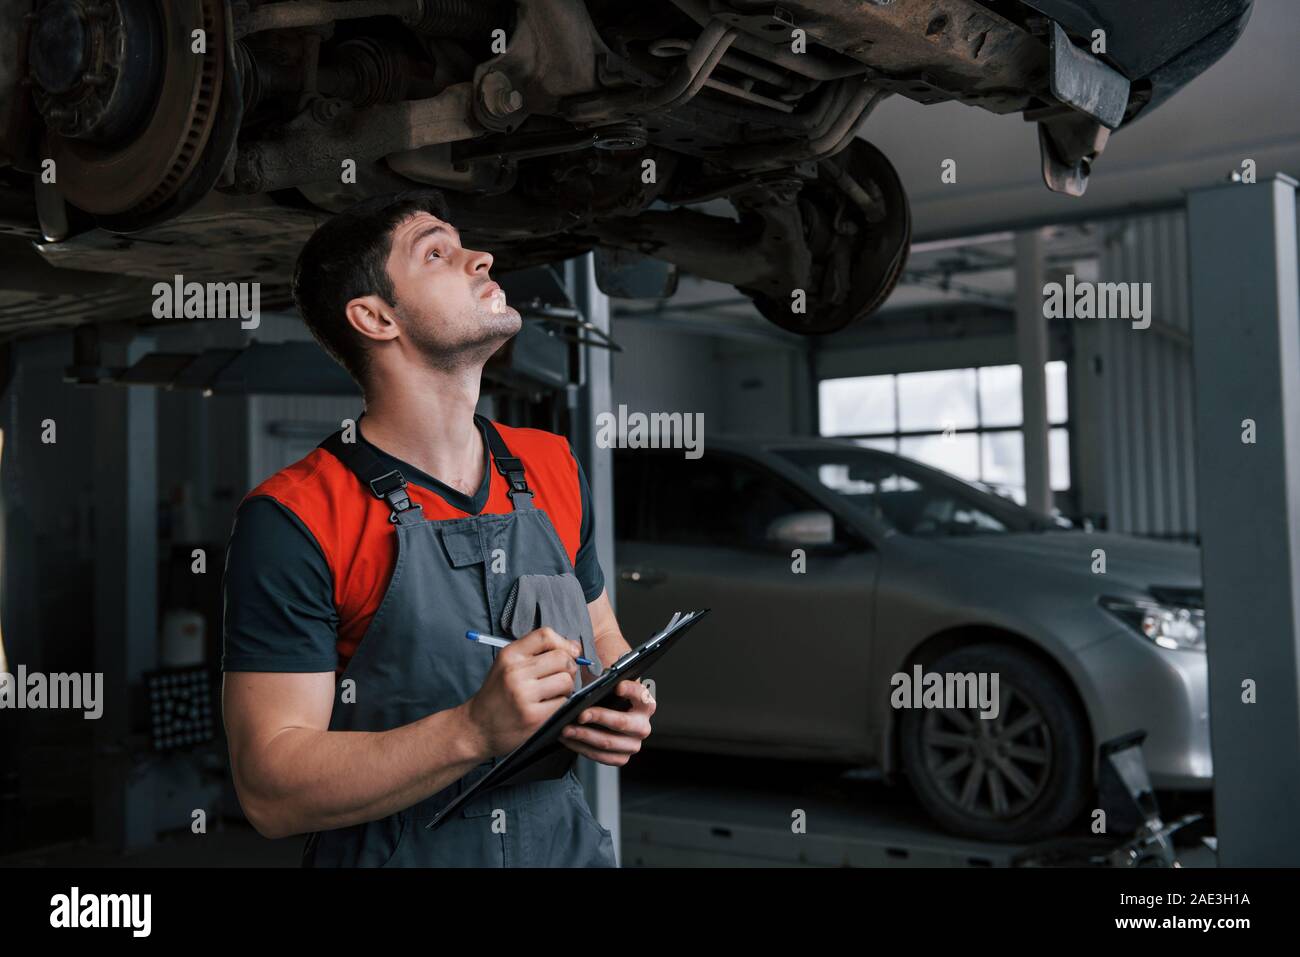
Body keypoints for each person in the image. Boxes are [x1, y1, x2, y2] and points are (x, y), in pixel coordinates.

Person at [220, 190, 652, 867]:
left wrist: (625, 695)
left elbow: (600, 634)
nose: (482, 257)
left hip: (563, 847)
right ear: (376, 316)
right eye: (438, 253)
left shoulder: (551, 465)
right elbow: (271, 786)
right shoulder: (296, 516)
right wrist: (471, 730)